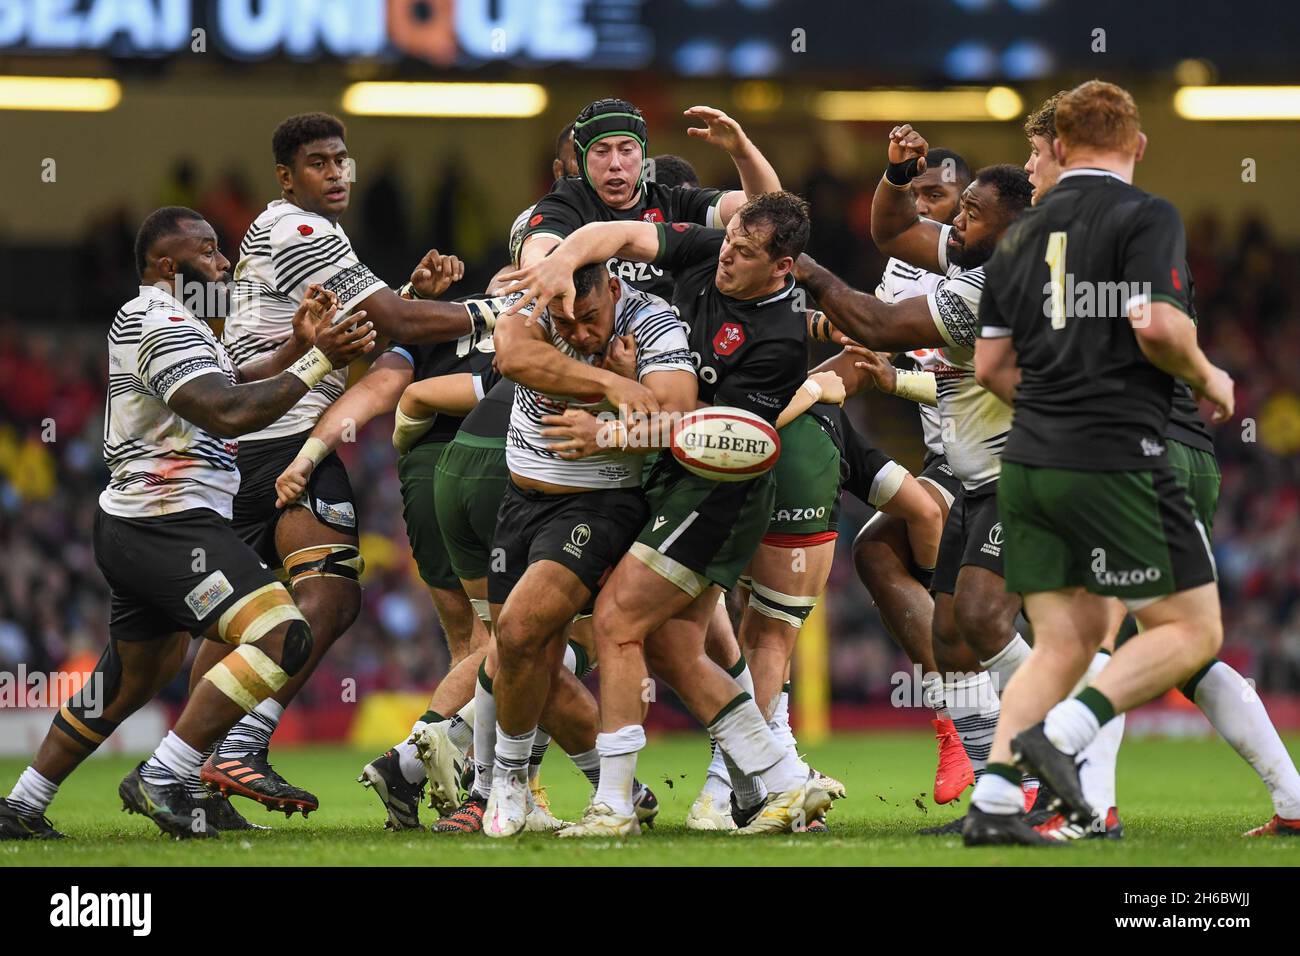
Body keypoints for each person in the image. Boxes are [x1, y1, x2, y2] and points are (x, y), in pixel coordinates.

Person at [0, 207, 374, 840]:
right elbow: (228, 411)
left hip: (141, 523)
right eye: (209, 251)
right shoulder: (153, 317)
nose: (224, 262)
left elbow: (233, 381)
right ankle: (167, 775)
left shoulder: (187, 324)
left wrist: (299, 346)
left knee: (130, 678)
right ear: (169, 266)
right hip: (168, 522)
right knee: (284, 634)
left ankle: (21, 804)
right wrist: (315, 366)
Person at [502, 191, 836, 836]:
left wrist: (612, 431)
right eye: (729, 240)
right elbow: (613, 232)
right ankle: (787, 781)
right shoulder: (709, 251)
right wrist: (558, 261)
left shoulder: (777, 340)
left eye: (743, 253)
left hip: (718, 491)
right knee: (676, 648)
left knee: (617, 621)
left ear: (783, 269)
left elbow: (711, 431)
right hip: (678, 483)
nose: (726, 258)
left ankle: (615, 805)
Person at [1018, 90, 1300, 841]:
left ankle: (1088, 808)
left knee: (1095, 629)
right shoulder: (1130, 228)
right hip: (1181, 447)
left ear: (1068, 150)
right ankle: (1294, 799)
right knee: (1177, 639)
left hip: (1137, 447)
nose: (1028, 171)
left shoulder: (1077, 231)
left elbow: (1148, 329)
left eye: (1036, 155)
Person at [965, 80, 1235, 845]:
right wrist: (1210, 377)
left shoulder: (1017, 233)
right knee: (1194, 629)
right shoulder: (1145, 214)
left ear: (1058, 146)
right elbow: (1154, 325)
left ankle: (992, 806)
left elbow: (990, 367)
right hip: (1117, 454)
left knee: (1063, 642)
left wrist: (1054, 405)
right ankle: (1066, 736)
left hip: (1027, 464)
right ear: (1137, 145)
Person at [196, 112, 477, 817]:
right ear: (287, 177)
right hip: (284, 436)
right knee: (334, 596)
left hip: (249, 444)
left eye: (342, 160)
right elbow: (395, 326)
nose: (338, 173)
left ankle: (182, 769)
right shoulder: (302, 231)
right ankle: (241, 744)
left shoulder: (290, 231)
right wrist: (501, 313)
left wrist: (410, 293)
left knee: (235, 620)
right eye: (319, 163)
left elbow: (374, 322)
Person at [794, 144, 1035, 813]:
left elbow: (881, 326)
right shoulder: (939, 257)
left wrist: (799, 264)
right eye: (930, 199)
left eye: (957, 207)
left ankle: (1049, 739)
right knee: (948, 621)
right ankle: (992, 784)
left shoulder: (988, 280)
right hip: (962, 459)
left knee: (982, 621)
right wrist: (893, 175)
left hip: (1011, 466)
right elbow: (888, 248)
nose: (942, 218)